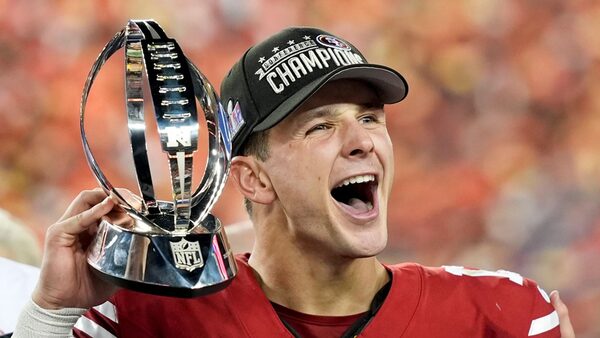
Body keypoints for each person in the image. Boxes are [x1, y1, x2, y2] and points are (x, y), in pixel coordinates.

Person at [13, 27, 575, 337]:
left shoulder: (503, 314)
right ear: (253, 179)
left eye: (370, 118)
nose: (363, 141)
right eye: (321, 126)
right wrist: (53, 310)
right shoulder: (147, 318)